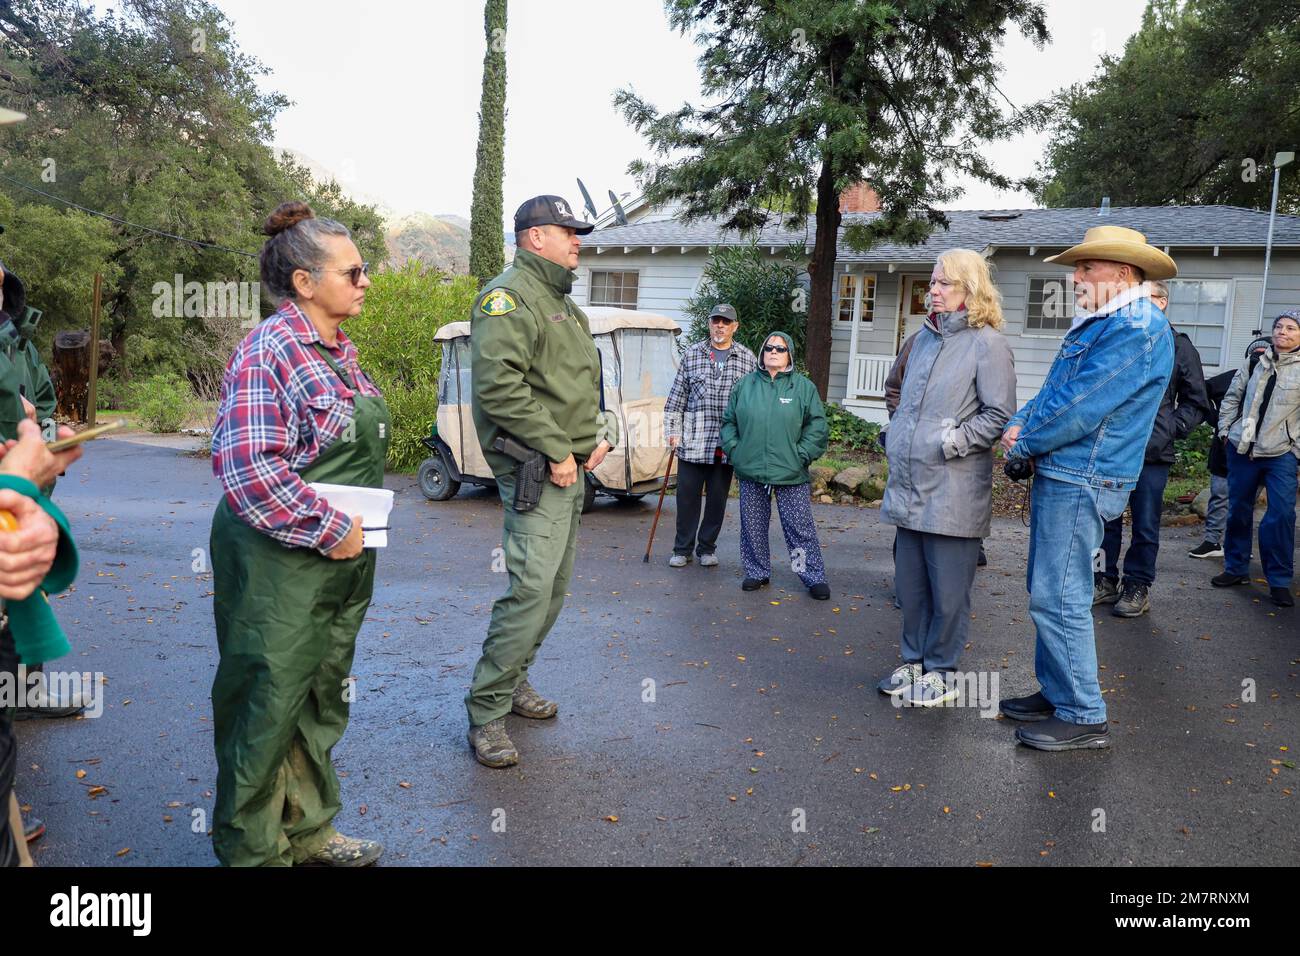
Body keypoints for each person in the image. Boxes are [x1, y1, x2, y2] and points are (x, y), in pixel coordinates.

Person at [209, 202, 388, 866]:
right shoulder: (270, 349)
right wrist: (327, 524)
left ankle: (310, 831)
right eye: (354, 271)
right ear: (306, 283)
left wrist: (350, 534)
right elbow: (248, 468)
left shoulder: (343, 353)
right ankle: (252, 851)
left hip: (339, 564)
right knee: (264, 708)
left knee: (319, 699)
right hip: (276, 567)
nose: (365, 280)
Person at [998, 225, 1175, 751]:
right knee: (1048, 590)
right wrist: (1022, 423)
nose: (1075, 277)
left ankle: (1082, 712)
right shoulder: (1111, 321)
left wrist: (1024, 441)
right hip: (1071, 470)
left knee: (1060, 595)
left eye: (1085, 268)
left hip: (1081, 474)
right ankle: (1058, 691)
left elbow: (1082, 404)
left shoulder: (1137, 325)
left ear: (1121, 273)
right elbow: (1061, 390)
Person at [465, 195, 615, 769]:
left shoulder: (560, 304)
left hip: (570, 468)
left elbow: (576, 388)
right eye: (568, 231)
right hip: (536, 468)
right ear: (534, 238)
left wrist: (596, 434)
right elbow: (500, 389)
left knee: (551, 592)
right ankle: (485, 712)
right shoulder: (507, 298)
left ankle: (514, 683)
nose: (578, 240)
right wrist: (557, 449)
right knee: (528, 592)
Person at [876, 249, 1016, 706]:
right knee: (911, 587)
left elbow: (998, 414)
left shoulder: (987, 343)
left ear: (970, 290)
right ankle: (912, 660)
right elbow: (895, 390)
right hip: (910, 486)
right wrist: (902, 431)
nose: (932, 290)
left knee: (949, 593)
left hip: (954, 492)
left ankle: (941, 672)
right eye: (932, 282)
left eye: (943, 284)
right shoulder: (922, 339)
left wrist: (949, 442)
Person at [0, 259, 85, 722]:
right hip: (10, 482)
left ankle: (24, 695)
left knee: (27, 586)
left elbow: (45, 402)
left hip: (29, 485)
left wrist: (51, 435)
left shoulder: (20, 341)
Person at [1095, 280, 1210, 616]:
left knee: (1145, 524)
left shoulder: (1179, 346)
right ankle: (1103, 579)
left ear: (1161, 303)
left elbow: (1197, 401)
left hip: (1153, 454)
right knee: (1104, 521)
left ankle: (1137, 585)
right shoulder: (1119, 340)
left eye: (1140, 301)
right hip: (1113, 450)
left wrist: (1169, 429)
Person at [720, 331, 830, 599]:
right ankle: (757, 572)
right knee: (753, 526)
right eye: (769, 347)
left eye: (780, 349)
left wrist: (800, 455)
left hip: (790, 471)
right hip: (751, 470)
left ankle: (810, 575)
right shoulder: (744, 385)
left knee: (799, 528)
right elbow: (729, 423)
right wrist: (737, 451)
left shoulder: (803, 388)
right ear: (762, 353)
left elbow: (817, 427)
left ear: (789, 355)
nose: (773, 352)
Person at [1212, 311, 1300, 607]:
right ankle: (1235, 568)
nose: (1282, 332)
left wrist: (1295, 449)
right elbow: (1232, 397)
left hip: (1281, 454)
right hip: (1242, 449)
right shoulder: (1255, 361)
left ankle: (1278, 581)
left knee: (1280, 516)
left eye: (1290, 328)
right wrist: (1226, 430)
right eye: (1279, 326)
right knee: (1238, 510)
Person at [663, 303, 757, 568]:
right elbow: (675, 399)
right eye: (716, 321)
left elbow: (752, 403)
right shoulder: (692, 354)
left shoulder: (747, 358)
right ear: (709, 324)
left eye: (726, 322)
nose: (720, 326)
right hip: (692, 442)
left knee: (717, 500)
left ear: (734, 327)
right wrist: (673, 432)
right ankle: (682, 549)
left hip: (726, 445)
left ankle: (707, 548)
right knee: (687, 499)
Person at [885, 330, 988, 567]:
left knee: (950, 518)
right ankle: (906, 587)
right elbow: (894, 388)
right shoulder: (917, 341)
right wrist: (905, 426)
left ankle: (970, 549)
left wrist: (960, 437)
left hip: (959, 454)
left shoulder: (982, 342)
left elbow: (992, 407)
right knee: (910, 518)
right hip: (917, 453)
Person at [1189, 337, 1272, 559]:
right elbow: (1200, 392)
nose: (1258, 357)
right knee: (1219, 496)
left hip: (1258, 453)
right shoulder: (1232, 377)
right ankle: (1211, 542)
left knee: (1245, 504)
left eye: (1264, 352)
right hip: (1225, 452)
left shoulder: (1276, 381)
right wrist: (1215, 418)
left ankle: (1238, 547)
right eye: (1255, 353)